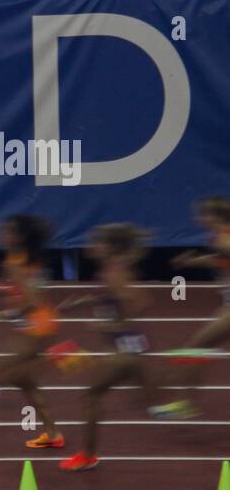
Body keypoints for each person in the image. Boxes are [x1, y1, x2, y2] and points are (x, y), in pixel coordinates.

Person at [56, 224, 170, 472]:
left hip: (126, 349)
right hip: (132, 347)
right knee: (145, 402)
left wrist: (109, 324)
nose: (91, 246)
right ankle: (164, 403)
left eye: (96, 242)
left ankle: (87, 456)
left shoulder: (115, 271)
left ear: (108, 247)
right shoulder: (113, 269)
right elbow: (110, 296)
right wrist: (79, 304)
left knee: (91, 395)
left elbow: (140, 302)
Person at [0, 215, 63, 449]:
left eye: (7, 231)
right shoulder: (24, 258)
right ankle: (52, 433)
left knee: (1, 375)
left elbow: (32, 300)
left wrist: (10, 314)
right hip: (35, 322)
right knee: (27, 383)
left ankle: (59, 356)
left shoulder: (16, 263)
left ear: (19, 237)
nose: (1, 234)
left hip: (35, 325)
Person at [158, 196, 230, 418]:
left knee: (197, 346)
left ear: (215, 217)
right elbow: (218, 260)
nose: (200, 218)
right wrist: (191, 262)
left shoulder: (224, 239)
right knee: (198, 347)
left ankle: (185, 402)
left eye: (204, 214)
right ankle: (185, 401)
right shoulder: (220, 238)